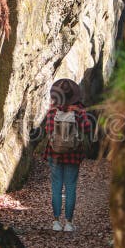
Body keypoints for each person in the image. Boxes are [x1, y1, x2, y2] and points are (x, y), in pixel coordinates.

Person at [43, 78, 91, 232]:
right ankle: (69, 223)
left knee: (56, 186)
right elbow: (88, 128)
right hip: (73, 154)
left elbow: (48, 130)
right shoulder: (79, 111)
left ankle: (56, 222)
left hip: (55, 153)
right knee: (70, 187)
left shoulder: (52, 110)